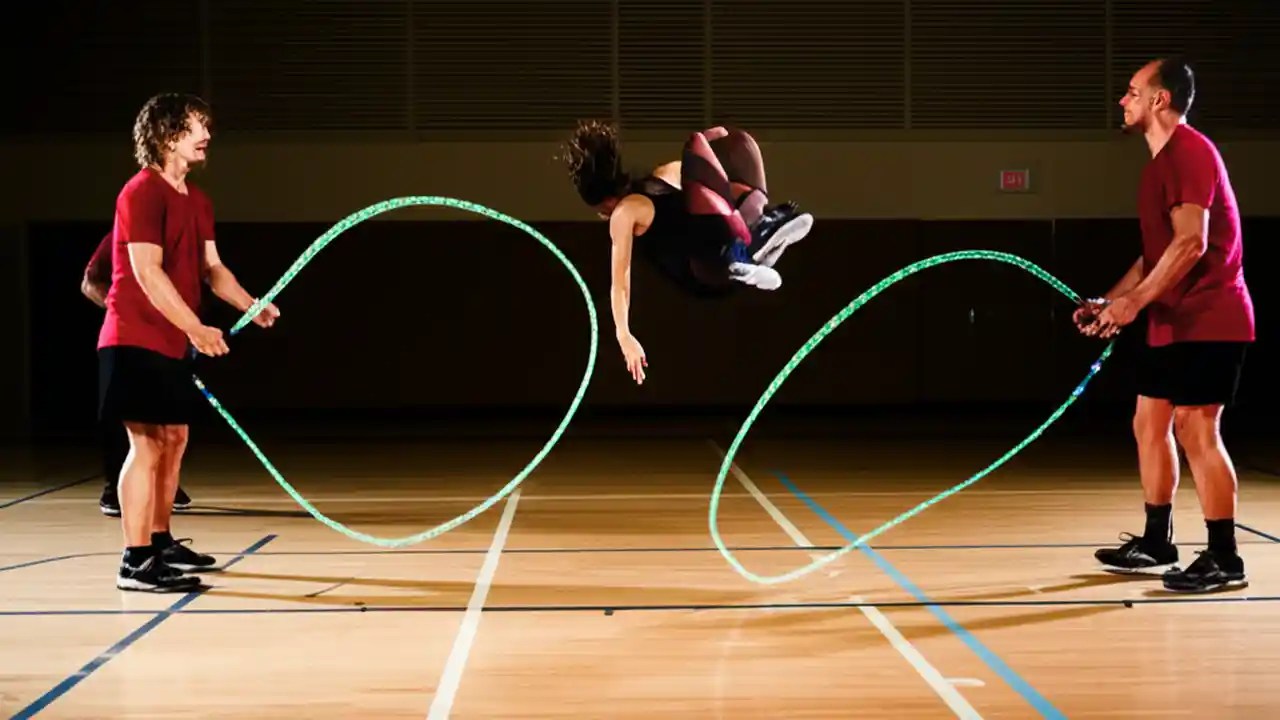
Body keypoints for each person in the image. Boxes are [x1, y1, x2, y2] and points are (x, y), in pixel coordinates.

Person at [1074, 58, 1254, 593]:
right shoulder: (1157, 166)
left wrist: (1134, 304)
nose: (1122, 102)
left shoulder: (1191, 151)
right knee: (1147, 424)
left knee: (1196, 429)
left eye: (1131, 92)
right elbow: (1155, 254)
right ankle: (1158, 541)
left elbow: (1192, 243)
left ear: (1158, 100)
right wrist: (1112, 301)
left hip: (1210, 315)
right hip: (1169, 318)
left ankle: (1225, 557)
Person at [100, 92, 279, 592]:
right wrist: (196, 328)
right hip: (133, 335)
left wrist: (251, 304)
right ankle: (134, 560)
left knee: (174, 440)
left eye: (205, 126)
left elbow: (212, 269)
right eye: (195, 127)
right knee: (147, 442)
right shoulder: (140, 193)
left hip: (171, 342)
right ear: (165, 135)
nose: (206, 135)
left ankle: (159, 541)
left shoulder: (197, 200)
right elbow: (146, 272)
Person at [560, 120, 812, 384]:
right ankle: (753, 237)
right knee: (710, 153)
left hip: (702, 271)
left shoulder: (624, 212)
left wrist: (624, 335)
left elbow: (620, 282)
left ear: (602, 205)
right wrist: (708, 151)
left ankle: (751, 244)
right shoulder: (664, 174)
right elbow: (711, 183)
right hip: (714, 252)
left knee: (705, 163)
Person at [82, 232, 192, 517]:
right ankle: (115, 490)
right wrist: (130, 312)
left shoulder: (187, 239)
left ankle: (162, 490)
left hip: (172, 337)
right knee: (131, 422)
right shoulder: (125, 236)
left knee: (173, 426)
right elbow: (91, 283)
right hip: (130, 337)